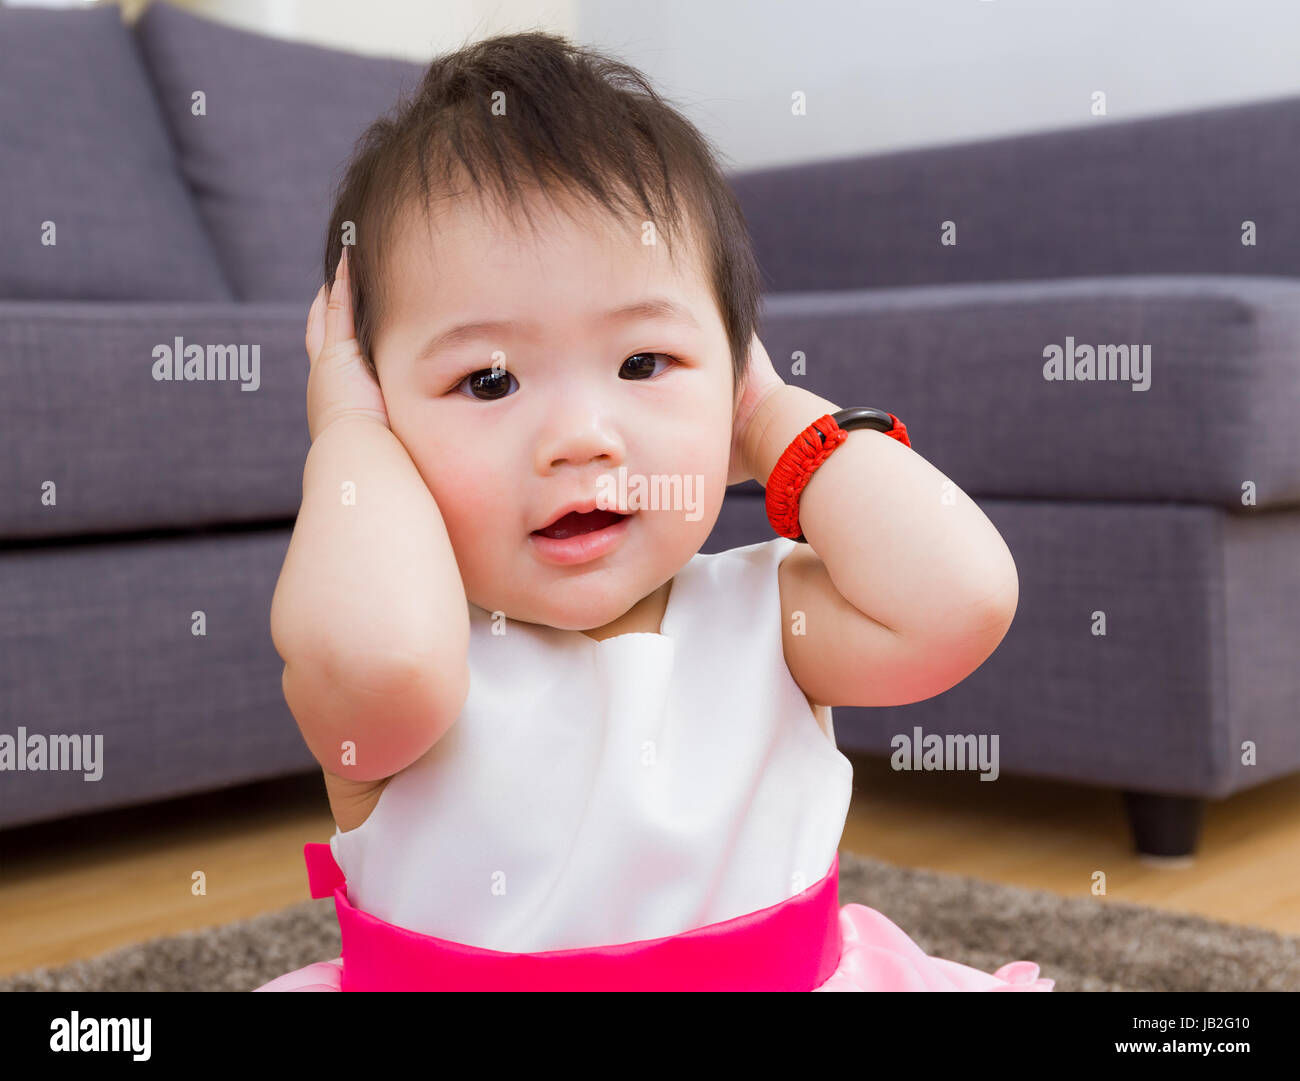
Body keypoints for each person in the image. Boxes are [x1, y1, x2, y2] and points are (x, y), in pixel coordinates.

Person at [256, 31, 1053, 992]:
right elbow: (381, 658)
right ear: (385, 413)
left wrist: (770, 417)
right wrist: (345, 426)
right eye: (489, 378)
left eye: (644, 363)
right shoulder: (414, 668)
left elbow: (962, 597)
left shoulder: (769, 614)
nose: (580, 438)